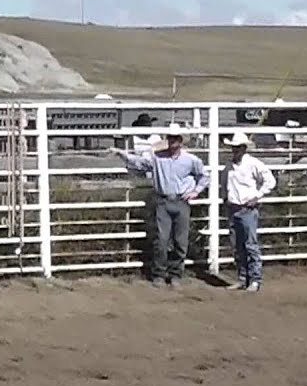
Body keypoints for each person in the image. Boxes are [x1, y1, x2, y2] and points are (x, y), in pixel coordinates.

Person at [111, 123, 210, 286]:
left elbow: (204, 176)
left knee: (180, 241)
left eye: (175, 139)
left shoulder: (191, 160)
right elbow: (139, 162)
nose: (172, 141)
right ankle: (160, 273)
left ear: (180, 141)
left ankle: (175, 274)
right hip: (163, 200)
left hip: (180, 200)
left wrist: (195, 191)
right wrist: (122, 154)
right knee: (161, 240)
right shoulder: (158, 157)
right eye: (170, 138)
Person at [222, 131, 276, 292]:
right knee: (237, 245)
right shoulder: (229, 166)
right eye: (234, 148)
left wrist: (257, 196)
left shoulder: (253, 164)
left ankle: (254, 279)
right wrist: (225, 199)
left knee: (250, 244)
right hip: (234, 207)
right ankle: (243, 277)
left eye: (238, 148)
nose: (235, 151)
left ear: (244, 148)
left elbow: (270, 181)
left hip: (247, 208)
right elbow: (224, 184)